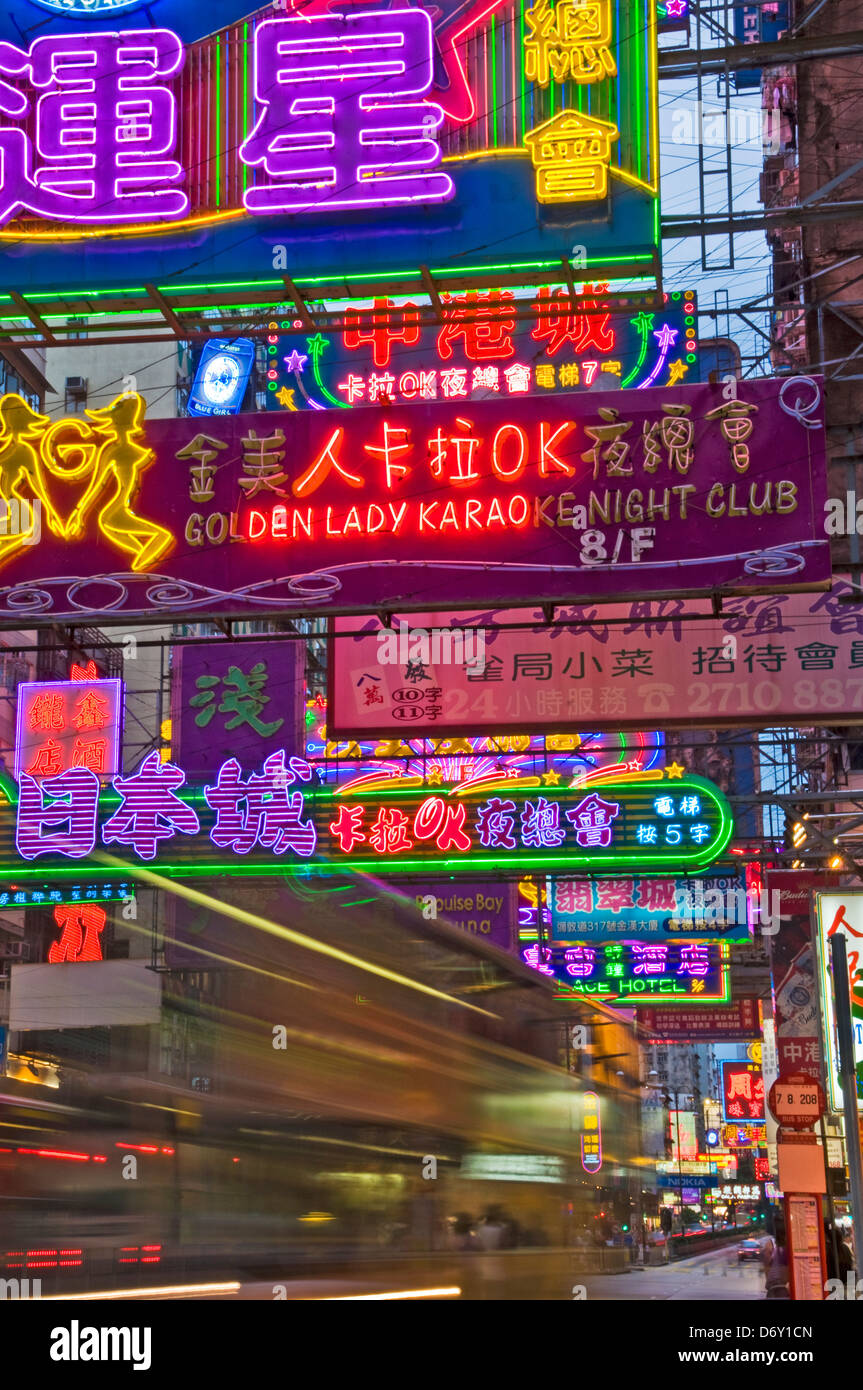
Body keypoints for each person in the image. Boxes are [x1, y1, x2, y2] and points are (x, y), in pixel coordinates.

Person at [763, 1215, 790, 1299]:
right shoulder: (792, 1243)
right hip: (786, 1286)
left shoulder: (770, 1245)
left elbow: (767, 1268)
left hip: (774, 1287)